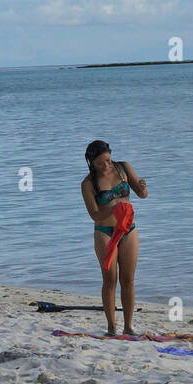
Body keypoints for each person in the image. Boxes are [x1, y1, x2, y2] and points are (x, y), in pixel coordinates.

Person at [80, 141, 146, 335]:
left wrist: (142, 187)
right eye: (100, 163)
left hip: (128, 230)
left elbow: (142, 194)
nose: (106, 166)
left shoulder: (123, 168)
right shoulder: (88, 184)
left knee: (128, 280)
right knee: (110, 280)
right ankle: (111, 327)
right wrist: (112, 208)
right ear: (91, 163)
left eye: (108, 160)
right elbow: (94, 214)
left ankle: (128, 326)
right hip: (104, 232)